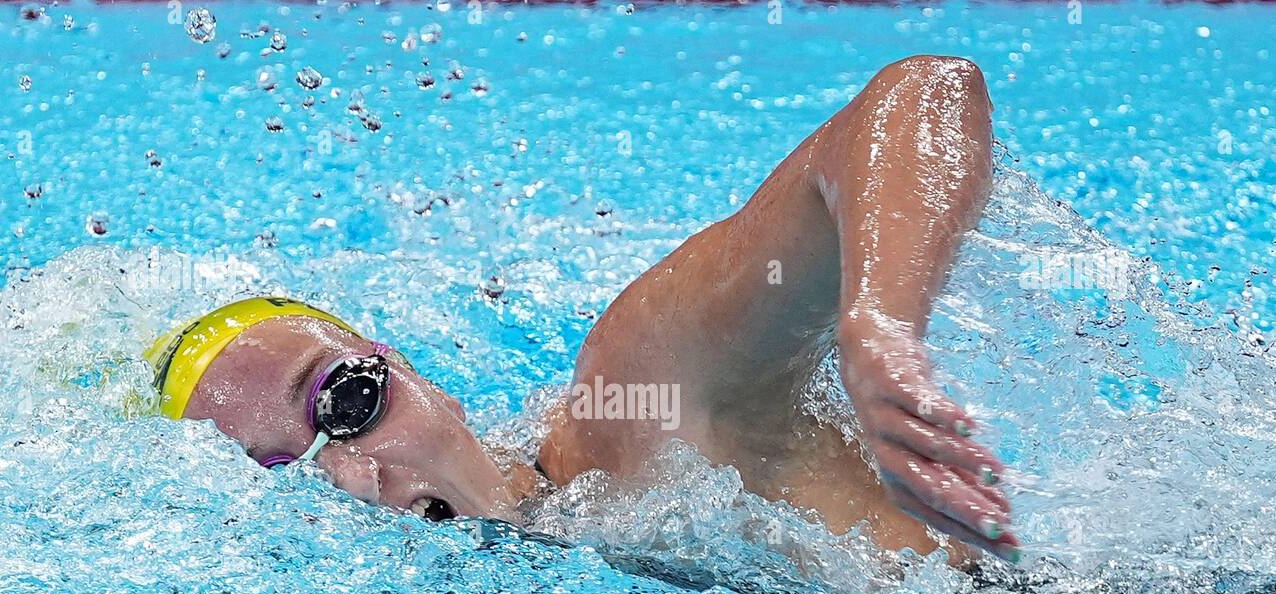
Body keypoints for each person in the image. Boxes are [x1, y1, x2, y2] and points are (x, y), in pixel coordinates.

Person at [145, 55, 1021, 565]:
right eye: (282, 472)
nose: (355, 477)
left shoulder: (631, 416)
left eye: (347, 406)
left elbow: (924, 94)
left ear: (412, 373)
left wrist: (880, 321)